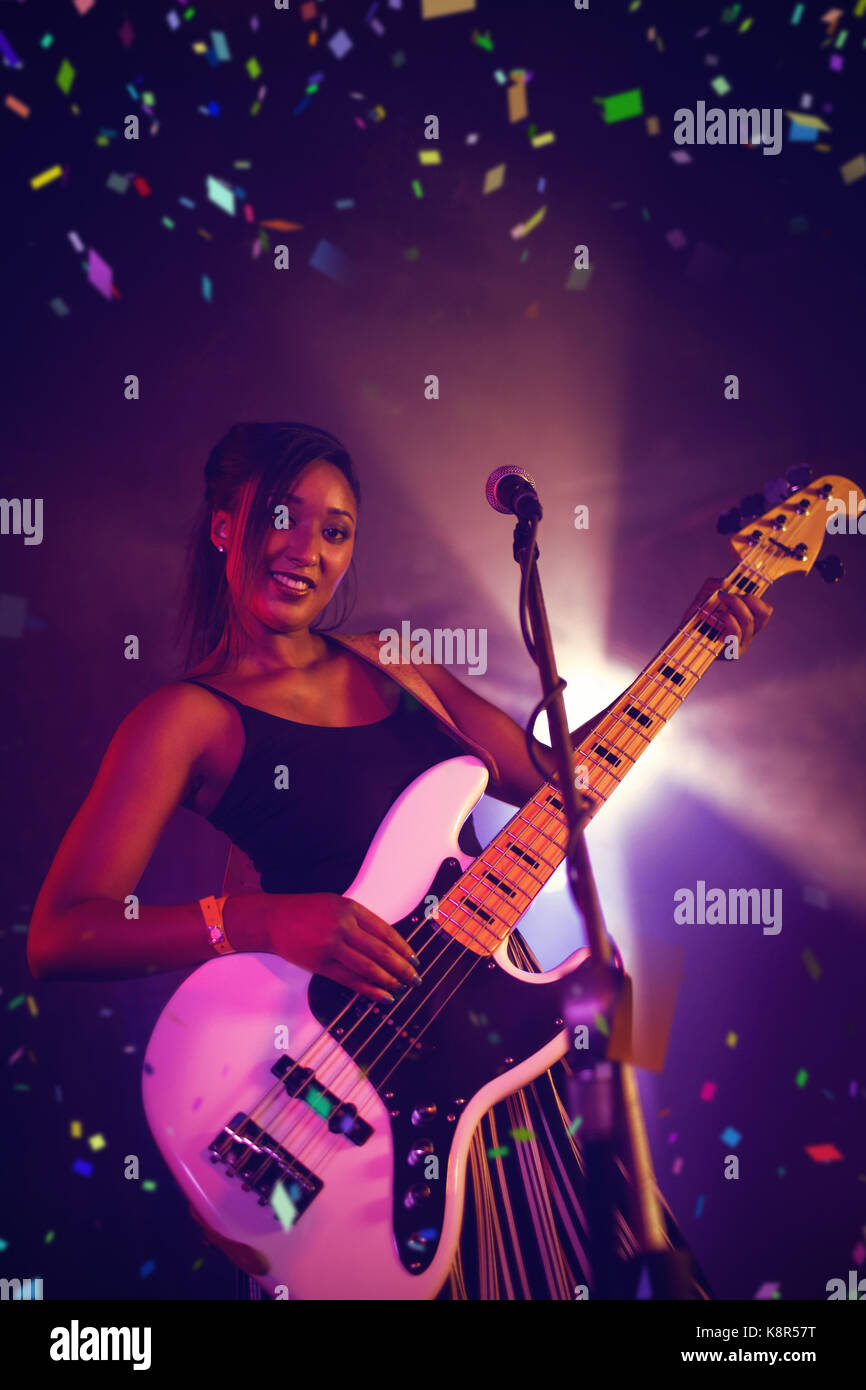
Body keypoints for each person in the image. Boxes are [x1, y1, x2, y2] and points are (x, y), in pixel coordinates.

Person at [27, 422, 772, 1300]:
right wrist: (262, 918)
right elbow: (59, 935)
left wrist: (691, 644)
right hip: (356, 1086)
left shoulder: (397, 667)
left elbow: (558, 786)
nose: (307, 550)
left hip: (503, 1051)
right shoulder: (185, 718)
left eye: (335, 530)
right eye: (282, 516)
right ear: (226, 525)